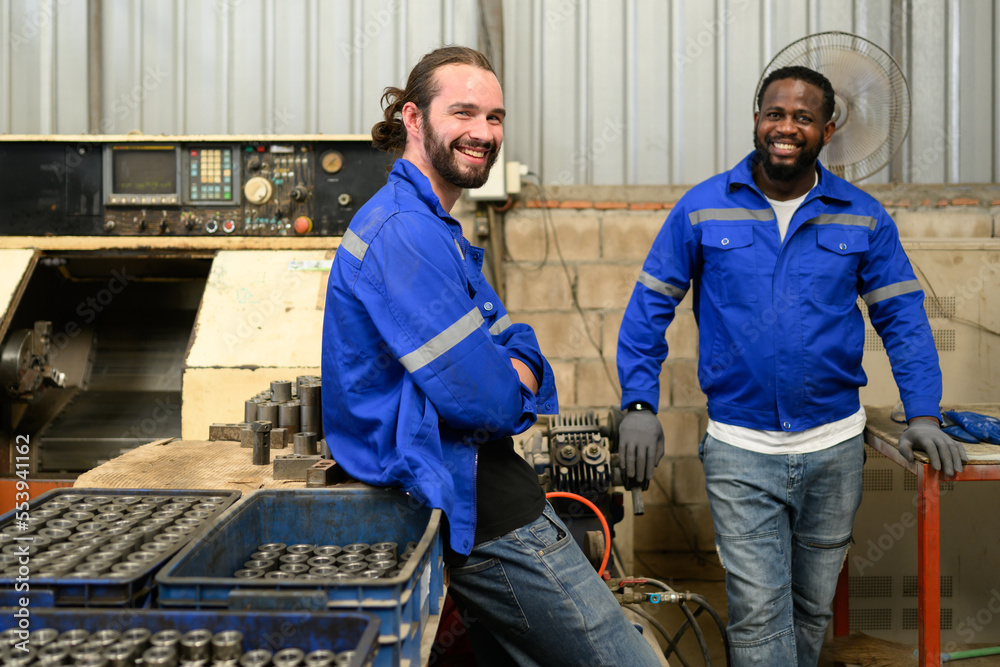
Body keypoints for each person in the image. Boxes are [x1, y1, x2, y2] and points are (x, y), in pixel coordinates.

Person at [616, 65, 968, 666]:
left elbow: (903, 321)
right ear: (757, 121)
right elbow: (650, 306)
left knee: (809, 609)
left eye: (803, 117)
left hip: (834, 450)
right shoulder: (703, 209)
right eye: (775, 114)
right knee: (758, 614)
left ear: (827, 130)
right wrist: (639, 403)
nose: (786, 127)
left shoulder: (862, 216)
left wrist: (925, 414)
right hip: (740, 448)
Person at [322, 46, 660, 667]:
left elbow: (519, 344)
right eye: (464, 112)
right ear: (413, 119)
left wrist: (515, 369)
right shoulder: (405, 233)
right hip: (465, 497)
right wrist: (515, 378)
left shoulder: (437, 226)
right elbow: (488, 401)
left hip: (478, 479)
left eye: (496, 117)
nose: (483, 133)